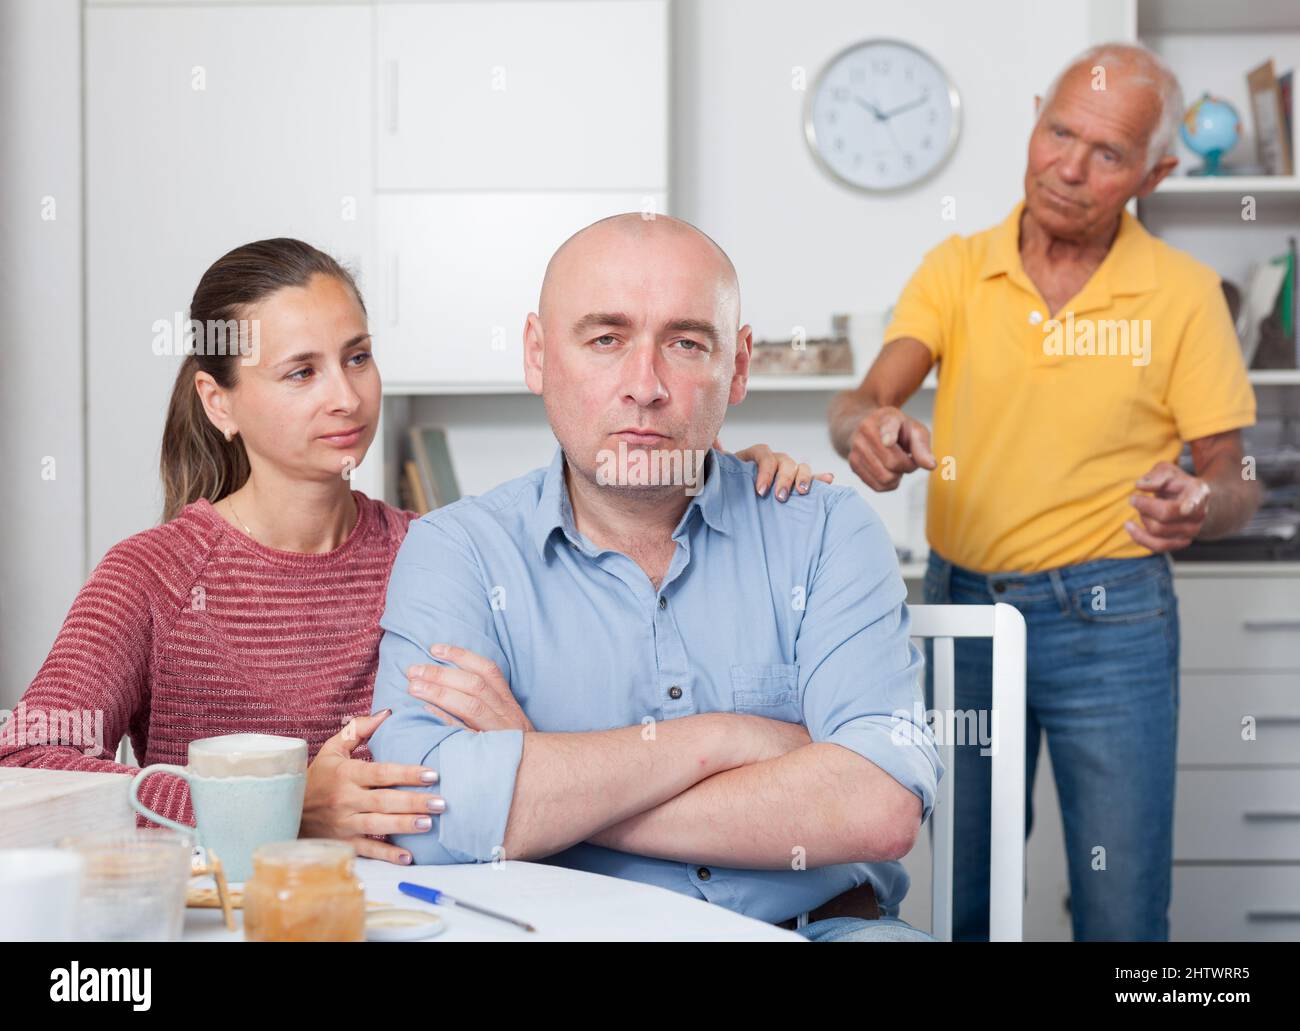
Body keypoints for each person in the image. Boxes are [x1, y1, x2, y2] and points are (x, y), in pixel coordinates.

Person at [0, 237, 817, 866]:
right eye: (300, 372)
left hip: (421, 910)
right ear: (220, 402)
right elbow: (27, 762)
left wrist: (713, 476)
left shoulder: (434, 549)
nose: (347, 396)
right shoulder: (154, 574)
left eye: (358, 356)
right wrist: (276, 805)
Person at [370, 212, 943, 941]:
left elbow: (878, 804)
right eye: (605, 338)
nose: (645, 385)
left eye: (685, 342)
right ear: (538, 355)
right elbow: (423, 813)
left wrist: (546, 774)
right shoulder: (455, 550)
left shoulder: (828, 529)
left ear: (737, 367)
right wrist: (731, 738)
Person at [828, 43, 1259, 941]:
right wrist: (867, 429)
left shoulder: (1183, 294)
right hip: (968, 614)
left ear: (1156, 171)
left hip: (1117, 624)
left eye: (1108, 153)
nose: (1069, 166)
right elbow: (865, 401)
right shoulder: (958, 267)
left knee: (1123, 902)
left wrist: (1201, 502)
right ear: (1034, 117)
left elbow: (1234, 475)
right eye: (1060, 131)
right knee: (968, 895)